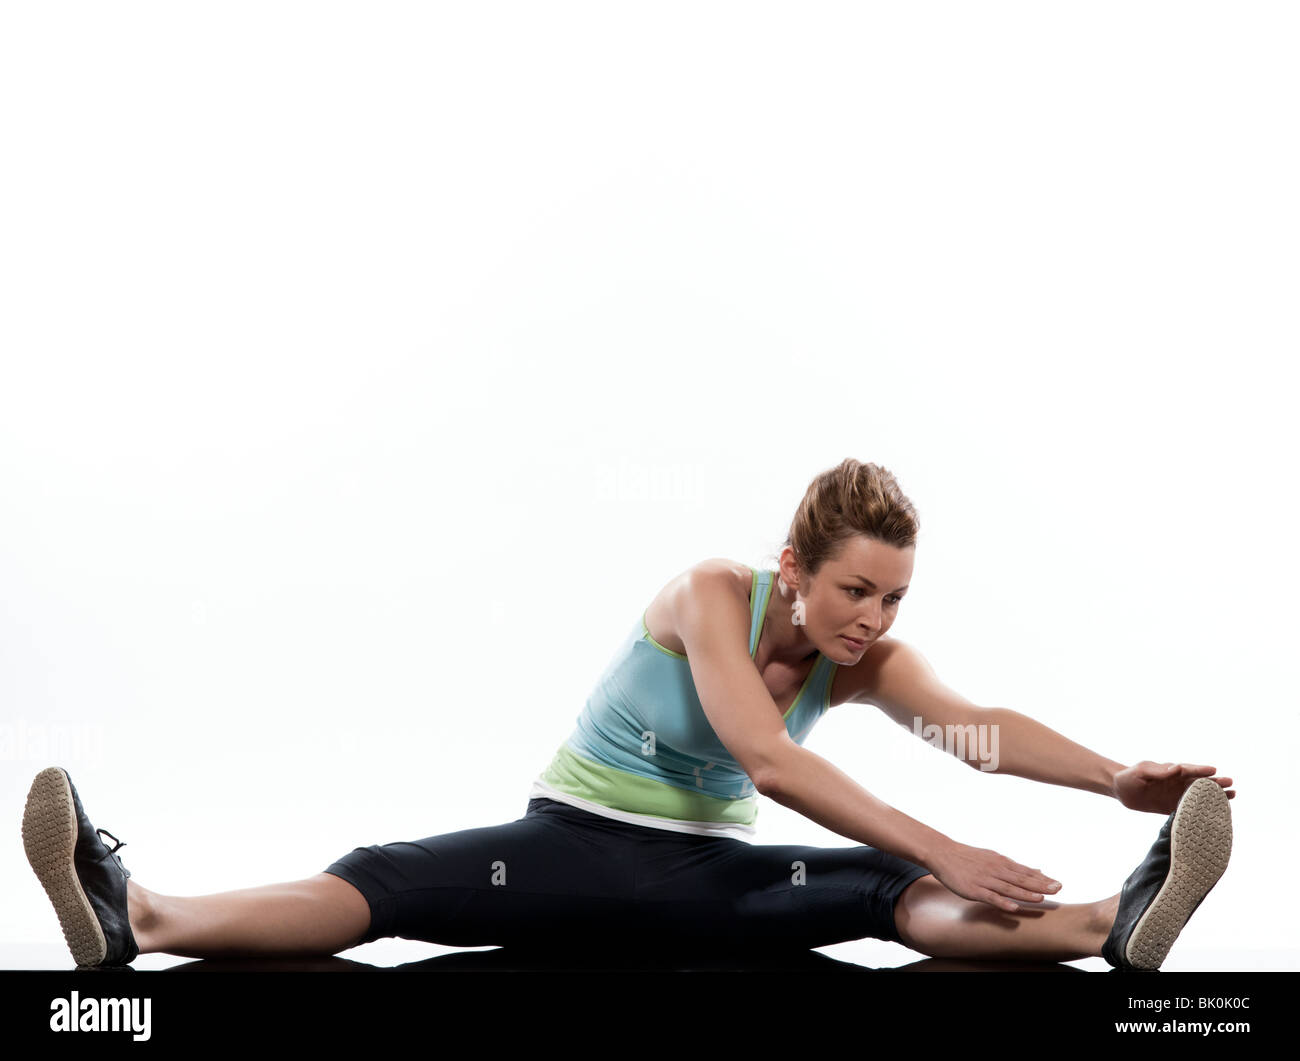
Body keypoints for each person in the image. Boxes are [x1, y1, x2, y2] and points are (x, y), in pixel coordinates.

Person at [22, 459, 1234, 970]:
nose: (870, 617)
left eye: (894, 595)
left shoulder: (866, 657)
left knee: (876, 892)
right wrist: (936, 842)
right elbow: (761, 757)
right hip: (569, 844)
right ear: (793, 566)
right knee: (383, 877)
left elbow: (976, 728)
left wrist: (1118, 777)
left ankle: (1104, 921)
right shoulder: (708, 594)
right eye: (854, 588)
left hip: (708, 876)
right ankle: (138, 913)